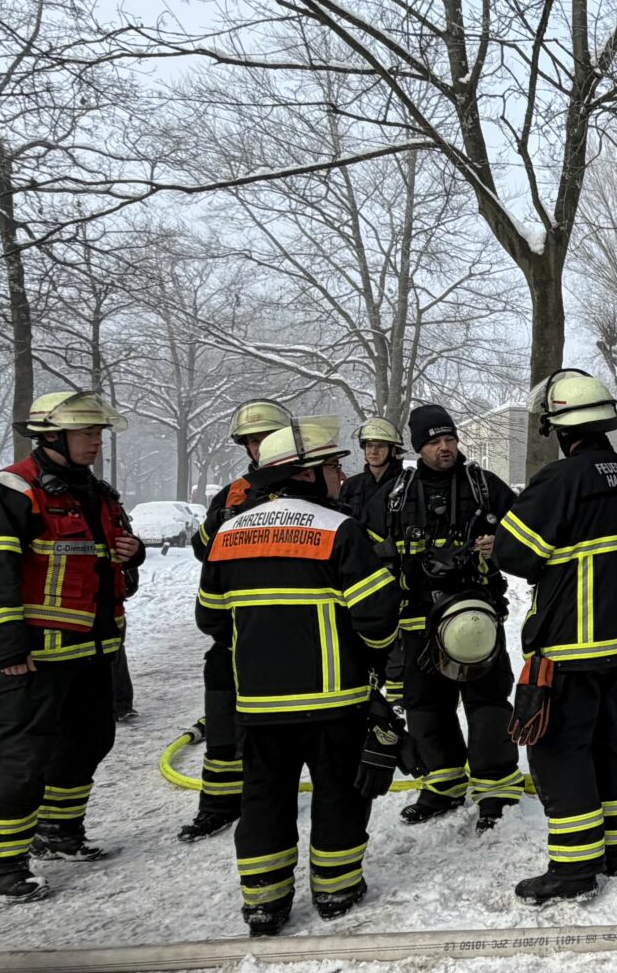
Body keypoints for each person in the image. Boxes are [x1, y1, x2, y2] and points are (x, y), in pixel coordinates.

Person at [196, 416, 401, 934]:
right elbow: (377, 619)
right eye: (332, 465)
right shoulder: (339, 531)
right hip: (335, 700)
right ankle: (336, 890)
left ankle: (264, 902)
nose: (339, 473)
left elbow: (211, 618)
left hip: (260, 704)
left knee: (263, 797)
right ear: (305, 473)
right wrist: (377, 665)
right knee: (339, 792)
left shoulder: (228, 533)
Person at [0, 389, 145, 901]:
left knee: (89, 740)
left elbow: (112, 560)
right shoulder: (11, 490)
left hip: (90, 650)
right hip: (33, 657)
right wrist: (6, 648)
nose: (96, 442)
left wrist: (134, 552)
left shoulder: (98, 493)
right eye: (87, 432)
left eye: (99, 433)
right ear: (52, 435)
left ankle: (58, 833)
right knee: (21, 757)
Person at [489, 370, 617, 904]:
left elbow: (516, 554)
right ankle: (611, 852)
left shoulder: (560, 482)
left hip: (567, 648)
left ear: (559, 428)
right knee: (607, 745)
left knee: (560, 752)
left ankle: (573, 869)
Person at [378, 402, 524, 830]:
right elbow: (371, 551)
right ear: (418, 446)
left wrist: (499, 544)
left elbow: (527, 535)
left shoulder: (484, 486)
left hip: (475, 615)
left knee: (487, 703)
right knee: (425, 706)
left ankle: (496, 788)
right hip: (418, 618)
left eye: (449, 438)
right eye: (435, 441)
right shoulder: (396, 494)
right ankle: (443, 785)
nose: (445, 447)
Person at [177, 399, 296, 844]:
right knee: (224, 721)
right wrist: (226, 523)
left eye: (266, 438)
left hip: (295, 630)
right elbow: (203, 548)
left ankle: (275, 797)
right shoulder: (232, 494)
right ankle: (219, 804)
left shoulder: (310, 486)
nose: (259, 447)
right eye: (252, 440)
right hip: (236, 631)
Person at [340, 415, 403, 536]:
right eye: (369, 445)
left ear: (393, 450)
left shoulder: (405, 483)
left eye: (380, 446)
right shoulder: (351, 485)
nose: (373, 451)